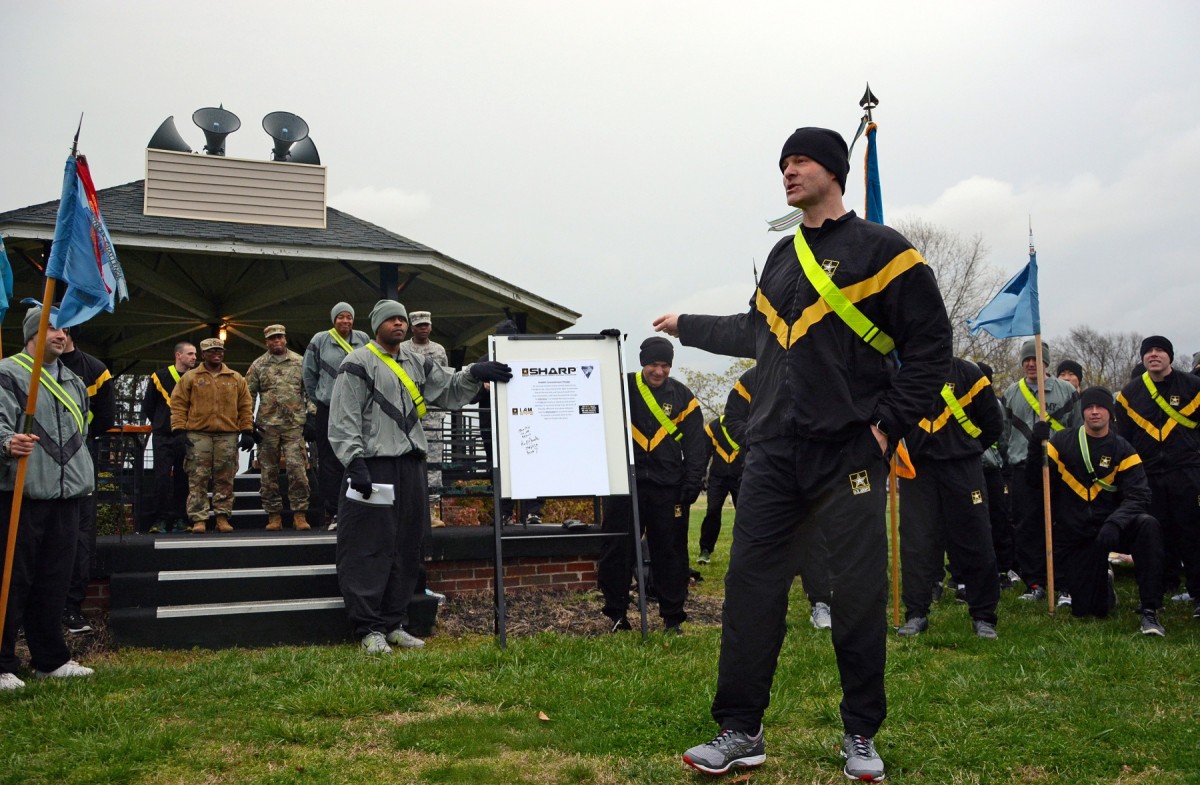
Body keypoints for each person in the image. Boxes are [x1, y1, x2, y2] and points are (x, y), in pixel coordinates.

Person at [657, 127, 952, 781]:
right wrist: (690, 326)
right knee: (749, 589)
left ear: (835, 171)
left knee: (857, 592)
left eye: (801, 161)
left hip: (848, 450)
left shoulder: (886, 253)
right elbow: (752, 330)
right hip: (771, 451)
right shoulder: (782, 255)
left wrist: (886, 428)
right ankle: (740, 729)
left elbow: (932, 348)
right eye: (782, 163)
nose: (788, 172)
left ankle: (860, 733)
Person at [328, 299, 511, 654]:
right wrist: (354, 461)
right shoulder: (357, 363)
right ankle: (369, 628)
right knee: (369, 546)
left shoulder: (415, 360)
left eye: (403, 320)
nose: (400, 324)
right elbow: (344, 415)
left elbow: (447, 386)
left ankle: (394, 622)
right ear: (378, 324)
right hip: (374, 466)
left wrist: (475, 372)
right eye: (392, 319)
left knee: (407, 546)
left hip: (411, 465)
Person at [0, 307, 96, 690]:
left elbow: (83, 429)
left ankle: (50, 659)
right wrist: (7, 444)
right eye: (53, 327)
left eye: (65, 328)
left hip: (67, 493)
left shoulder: (74, 380)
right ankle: (3, 661)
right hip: (21, 491)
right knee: (12, 579)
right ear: (32, 333)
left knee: (54, 579)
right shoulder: (8, 372)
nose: (62, 334)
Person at [1031, 387, 1166, 634]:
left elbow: (1139, 495)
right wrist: (1034, 445)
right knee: (1089, 611)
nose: (1094, 412)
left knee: (1148, 525)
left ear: (1110, 413)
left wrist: (1116, 523)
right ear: (1082, 412)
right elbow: (1036, 482)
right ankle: (1103, 581)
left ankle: (1150, 610)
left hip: (1113, 528)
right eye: (1089, 408)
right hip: (1077, 533)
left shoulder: (1123, 449)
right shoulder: (1062, 442)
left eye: (1100, 407)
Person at [598, 337, 705, 634]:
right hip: (625, 484)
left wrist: (692, 482)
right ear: (643, 362)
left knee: (670, 552)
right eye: (653, 365)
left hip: (667, 487)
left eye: (665, 365)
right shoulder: (621, 387)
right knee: (617, 549)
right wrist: (603, 346)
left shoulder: (683, 396)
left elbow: (697, 445)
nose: (659, 371)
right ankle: (617, 614)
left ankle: (672, 616)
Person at [897, 358, 1003, 639]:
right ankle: (916, 613)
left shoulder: (970, 374)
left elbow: (993, 422)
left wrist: (966, 449)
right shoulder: (905, 372)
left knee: (975, 539)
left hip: (962, 469)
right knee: (915, 543)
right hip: (917, 471)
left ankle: (983, 615)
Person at [1116, 336, 1200, 621]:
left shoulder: (1192, 386)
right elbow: (1123, 440)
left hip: (1186, 472)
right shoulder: (1130, 393)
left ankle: (1198, 593)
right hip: (1148, 475)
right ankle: (1157, 593)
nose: (1154, 355)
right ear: (1142, 358)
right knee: (1153, 536)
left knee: (1192, 533)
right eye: (1148, 351)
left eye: (1160, 350)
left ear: (1170, 357)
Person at [1001, 339, 1080, 602]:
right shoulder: (1012, 392)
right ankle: (1034, 582)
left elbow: (1076, 426)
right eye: (1027, 359)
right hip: (1023, 468)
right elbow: (1005, 432)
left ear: (1046, 362)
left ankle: (1065, 583)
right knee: (1026, 526)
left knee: (1063, 525)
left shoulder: (1066, 391)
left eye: (1036, 359)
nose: (1031, 364)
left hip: (1060, 468)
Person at [58, 328, 116, 635]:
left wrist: (76, 430)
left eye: (58, 328)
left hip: (81, 455)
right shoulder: (24, 368)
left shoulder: (94, 370)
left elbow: (106, 417)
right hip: (37, 459)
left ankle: (72, 606)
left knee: (80, 534)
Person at [170, 338, 253, 534]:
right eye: (211, 351)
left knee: (225, 477)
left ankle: (222, 516)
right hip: (198, 434)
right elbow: (178, 404)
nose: (216, 353)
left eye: (220, 350)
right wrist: (179, 430)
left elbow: (245, 405)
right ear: (204, 354)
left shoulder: (235, 378)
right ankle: (199, 518)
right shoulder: (190, 377)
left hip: (227, 434)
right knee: (197, 477)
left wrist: (247, 430)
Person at [303, 302, 369, 531]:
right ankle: (334, 512)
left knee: (359, 457)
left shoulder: (363, 339)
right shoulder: (320, 340)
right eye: (341, 317)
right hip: (329, 408)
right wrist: (321, 398)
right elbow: (308, 375)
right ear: (334, 319)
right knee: (329, 461)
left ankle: (360, 509)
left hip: (359, 409)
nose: (345, 321)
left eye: (349, 317)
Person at [247, 324, 312, 531]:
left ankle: (300, 514)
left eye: (280, 338)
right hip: (267, 427)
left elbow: (310, 390)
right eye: (272, 339)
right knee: (268, 473)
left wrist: (312, 415)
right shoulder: (258, 365)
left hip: (294, 426)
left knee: (298, 470)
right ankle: (274, 515)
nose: (277, 341)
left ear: (285, 339)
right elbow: (248, 394)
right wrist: (247, 423)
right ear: (267, 342)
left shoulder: (300, 362)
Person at [400, 310, 450, 528]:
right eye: (419, 325)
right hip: (409, 412)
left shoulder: (438, 350)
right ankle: (409, 511)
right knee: (408, 459)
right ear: (412, 327)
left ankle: (431, 511)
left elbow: (444, 379)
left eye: (426, 325)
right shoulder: (402, 349)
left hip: (432, 413)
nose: (423, 328)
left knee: (433, 463)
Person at [141, 342, 197, 534]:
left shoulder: (197, 378)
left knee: (184, 478)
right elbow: (148, 406)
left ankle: (182, 518)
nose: (194, 357)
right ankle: (160, 519)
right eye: (190, 354)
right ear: (178, 355)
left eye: (195, 354)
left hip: (186, 436)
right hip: (163, 436)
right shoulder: (159, 376)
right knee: (161, 478)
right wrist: (160, 423)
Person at [697, 367, 750, 565]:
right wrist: (701, 476)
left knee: (744, 515)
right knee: (712, 513)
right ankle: (705, 550)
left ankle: (744, 552)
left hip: (740, 477)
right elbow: (704, 455)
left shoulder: (747, 426)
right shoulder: (713, 427)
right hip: (718, 479)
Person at [976, 362, 1017, 589]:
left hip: (993, 469)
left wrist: (1004, 466)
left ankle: (1003, 568)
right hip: (970, 469)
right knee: (971, 521)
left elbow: (1003, 437)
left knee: (998, 519)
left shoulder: (996, 405)